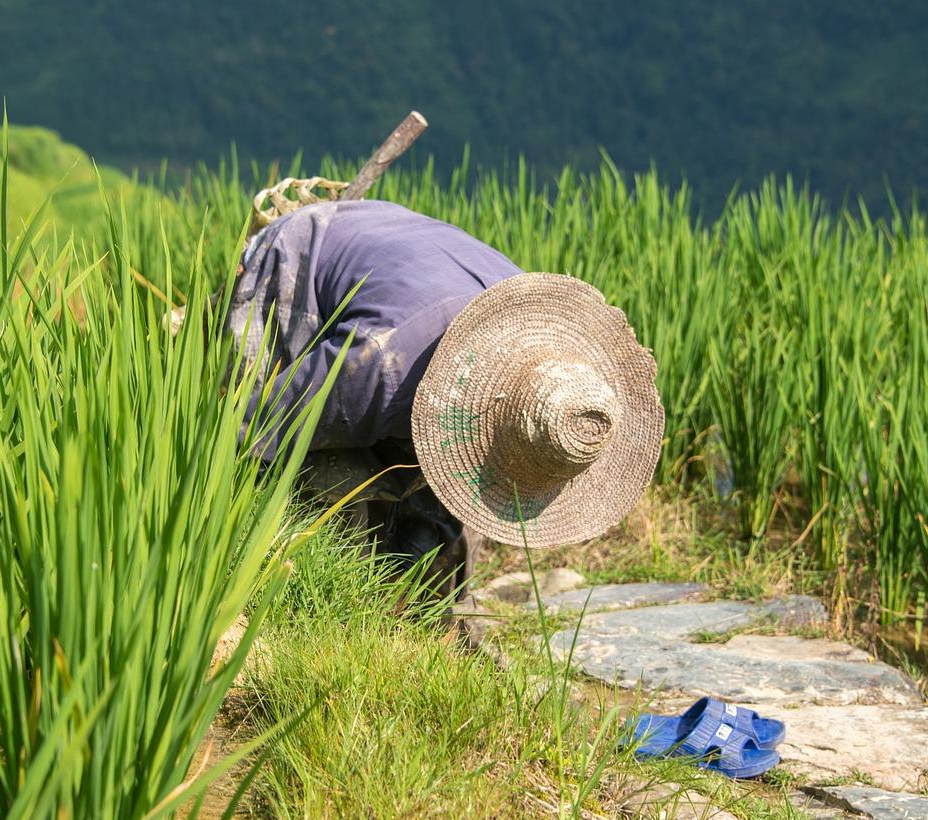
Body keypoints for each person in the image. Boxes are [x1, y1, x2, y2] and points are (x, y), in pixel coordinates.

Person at [226, 198, 663, 602]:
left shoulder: (538, 337)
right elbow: (253, 426)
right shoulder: (378, 365)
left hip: (409, 256)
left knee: (437, 503)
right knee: (314, 460)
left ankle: (422, 605)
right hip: (305, 252)